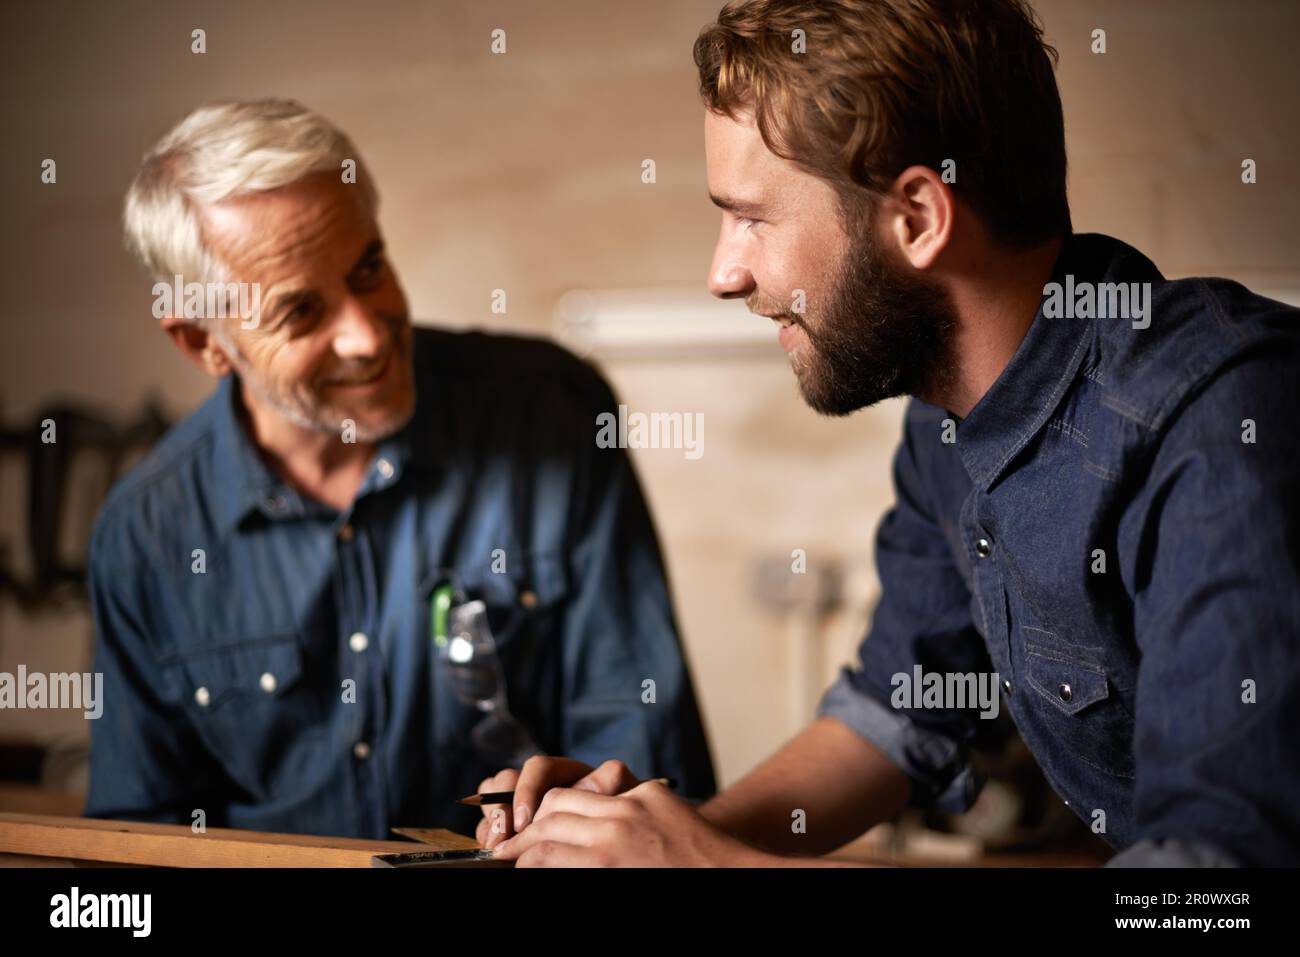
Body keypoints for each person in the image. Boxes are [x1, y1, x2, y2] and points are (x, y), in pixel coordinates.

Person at [483, 0, 1300, 867]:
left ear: (917, 215)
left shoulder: (1221, 425)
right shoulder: (949, 416)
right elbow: (897, 711)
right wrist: (653, 838)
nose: (724, 274)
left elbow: (1216, 895)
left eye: (752, 216)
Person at [84, 99, 715, 839]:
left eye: (370, 267)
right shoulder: (143, 534)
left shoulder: (551, 415)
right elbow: (136, 845)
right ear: (202, 341)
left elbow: (645, 758)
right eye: (301, 313)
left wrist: (597, 805)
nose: (366, 334)